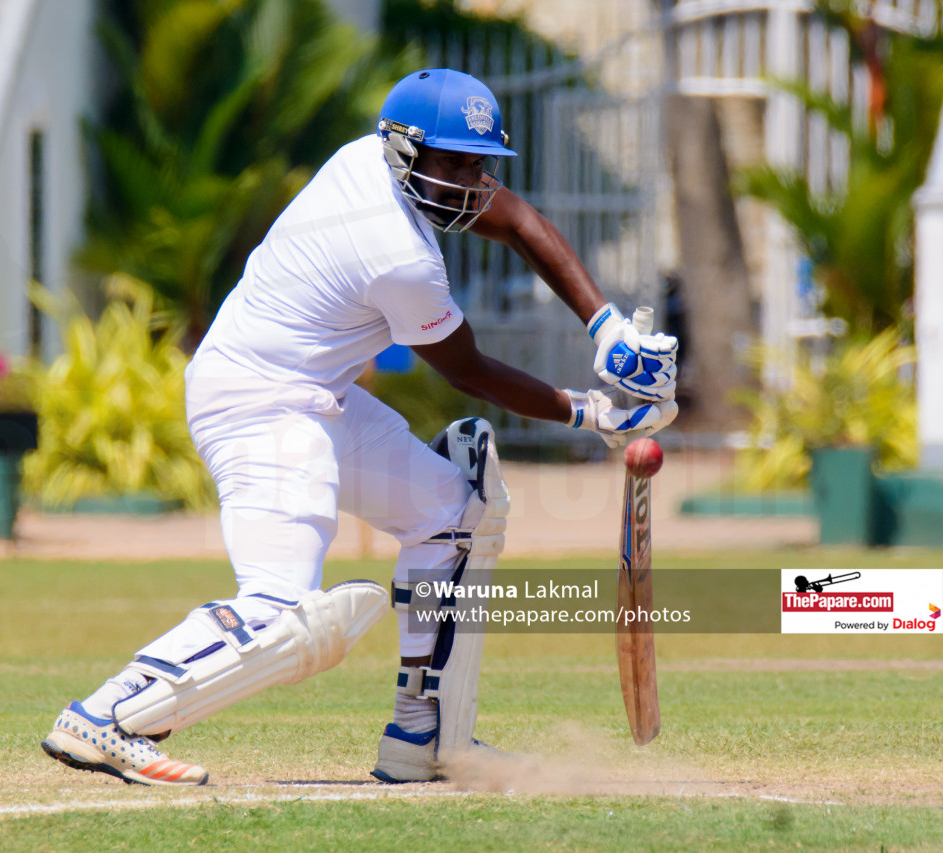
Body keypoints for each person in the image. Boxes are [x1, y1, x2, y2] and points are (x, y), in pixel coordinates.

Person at [41, 68, 678, 787]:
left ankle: (426, 735)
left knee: (455, 512)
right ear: (405, 151)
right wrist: (593, 412)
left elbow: (520, 220)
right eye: (453, 164)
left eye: (478, 165)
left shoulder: (365, 157)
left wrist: (607, 327)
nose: (469, 184)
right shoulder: (398, 255)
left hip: (317, 394)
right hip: (258, 404)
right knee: (285, 613)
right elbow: (466, 369)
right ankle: (108, 714)